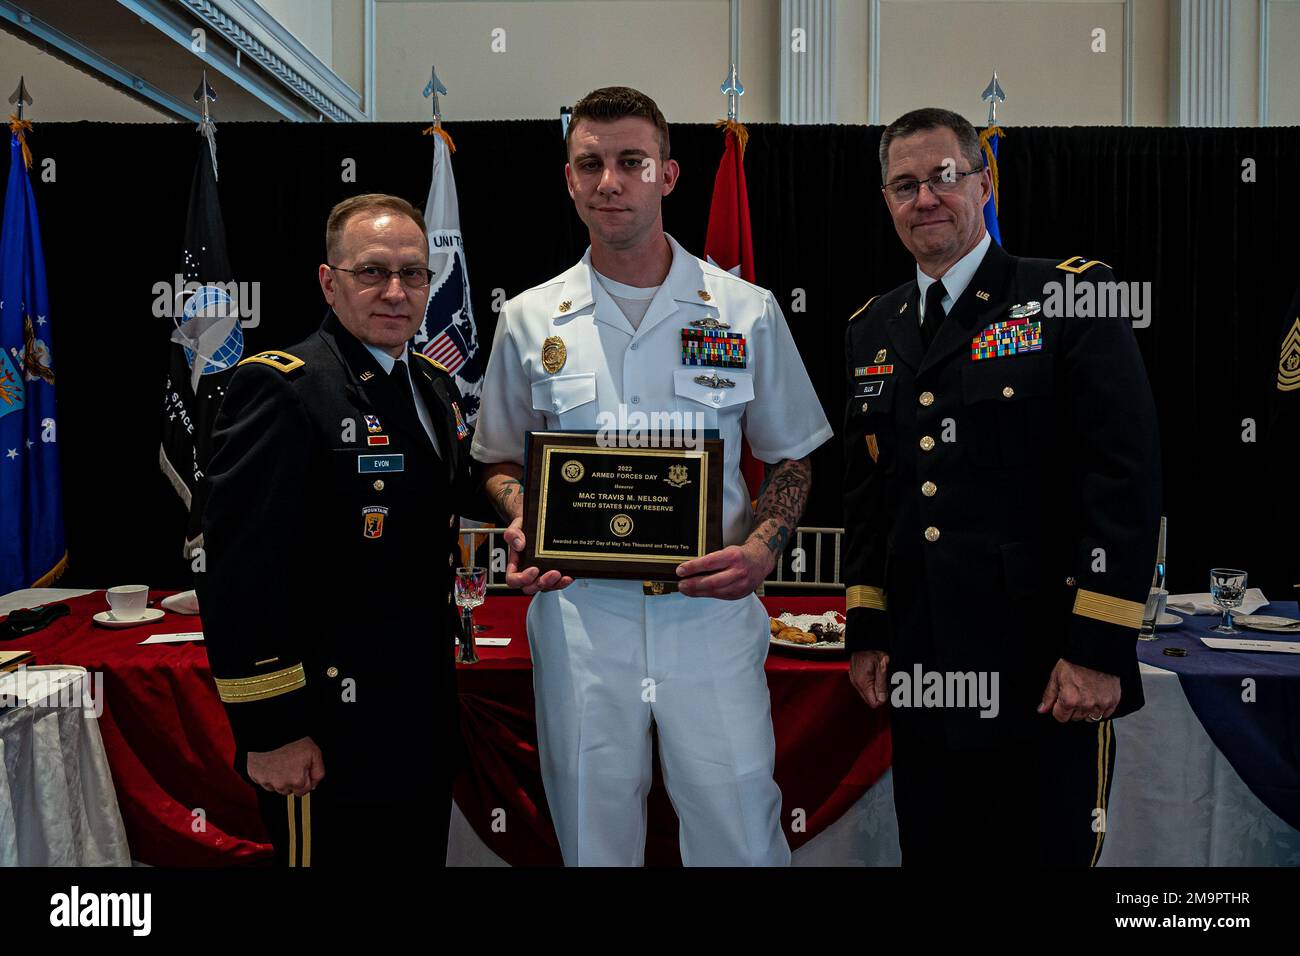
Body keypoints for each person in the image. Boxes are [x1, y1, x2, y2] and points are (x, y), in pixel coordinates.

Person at [471, 86, 832, 866]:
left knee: (738, 830)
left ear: (667, 175)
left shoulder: (744, 311)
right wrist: (521, 511)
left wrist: (763, 550)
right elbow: (498, 456)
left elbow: (793, 454)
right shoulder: (530, 318)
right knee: (592, 836)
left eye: (631, 162)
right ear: (568, 179)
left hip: (708, 614)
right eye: (590, 163)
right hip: (579, 620)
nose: (611, 181)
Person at [843, 107, 1161, 866]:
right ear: (887, 201)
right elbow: (868, 498)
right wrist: (868, 630)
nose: (926, 198)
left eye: (945, 177)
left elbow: (1125, 481)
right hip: (923, 672)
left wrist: (1099, 649)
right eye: (905, 184)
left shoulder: (1072, 294)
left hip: (1043, 673)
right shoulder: (872, 326)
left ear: (983, 182)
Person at [197, 193, 482, 866]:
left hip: (416, 719)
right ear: (329, 281)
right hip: (326, 731)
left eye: (413, 274)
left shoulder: (432, 386)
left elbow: (435, 507)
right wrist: (271, 730)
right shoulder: (286, 387)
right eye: (371, 271)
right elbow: (238, 571)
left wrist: (535, 519)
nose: (395, 291)